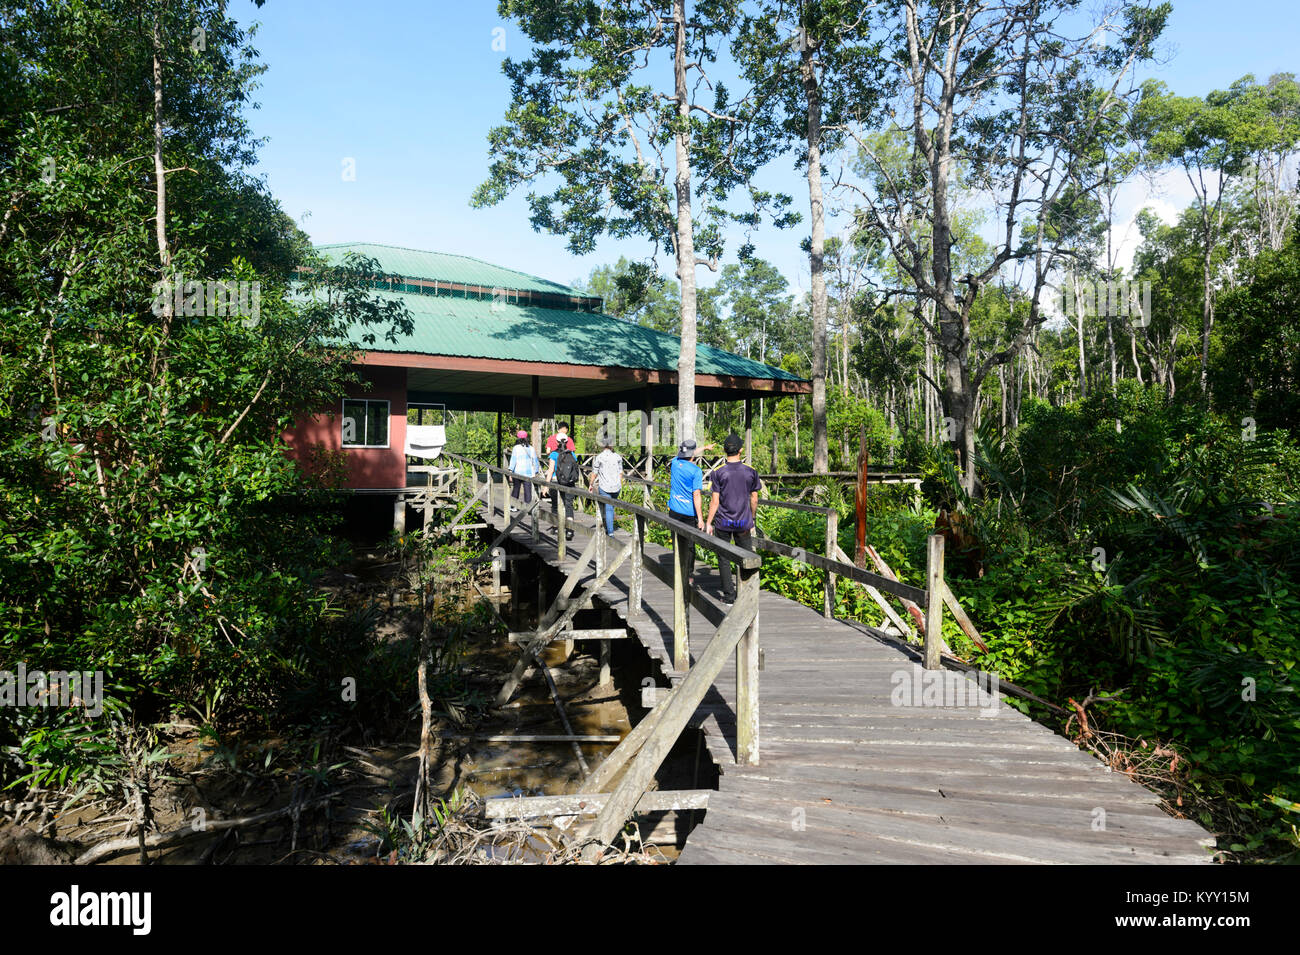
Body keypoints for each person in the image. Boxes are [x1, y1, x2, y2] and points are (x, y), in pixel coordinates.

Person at [706, 432, 762, 603]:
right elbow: (754, 498)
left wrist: (708, 522)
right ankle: (746, 596)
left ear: (724, 450)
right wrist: (752, 518)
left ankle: (729, 597)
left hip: (723, 522)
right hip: (743, 521)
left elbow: (715, 501)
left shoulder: (717, 472)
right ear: (741, 450)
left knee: (724, 558)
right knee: (746, 557)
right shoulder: (751, 471)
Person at [667, 439, 709, 584]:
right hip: (689, 513)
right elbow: (696, 495)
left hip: (673, 510)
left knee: (676, 542)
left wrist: (704, 447)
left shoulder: (674, 463)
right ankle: (689, 574)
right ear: (693, 455)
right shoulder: (696, 471)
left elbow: (687, 454)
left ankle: (678, 570)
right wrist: (701, 518)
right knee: (690, 545)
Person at [588, 436, 624, 536]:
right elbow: (621, 472)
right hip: (616, 487)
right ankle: (608, 526)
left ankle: (610, 532)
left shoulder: (599, 457)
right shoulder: (617, 457)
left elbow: (594, 473)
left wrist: (591, 484)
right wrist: (618, 482)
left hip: (604, 487)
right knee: (610, 507)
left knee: (608, 508)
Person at [546, 435, 578, 540]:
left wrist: (546, 486)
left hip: (556, 482)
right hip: (569, 483)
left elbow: (550, 471)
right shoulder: (572, 454)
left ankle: (555, 528)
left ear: (556, 442)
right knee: (569, 506)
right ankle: (569, 530)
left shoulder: (554, 454)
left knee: (555, 506)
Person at [506, 430, 539, 509]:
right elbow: (535, 460)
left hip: (517, 472)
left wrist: (510, 472)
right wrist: (536, 471)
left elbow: (513, 460)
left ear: (518, 438)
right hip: (528, 473)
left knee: (516, 489)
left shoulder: (516, 448)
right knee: (528, 491)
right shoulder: (531, 448)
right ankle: (528, 508)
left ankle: (513, 506)